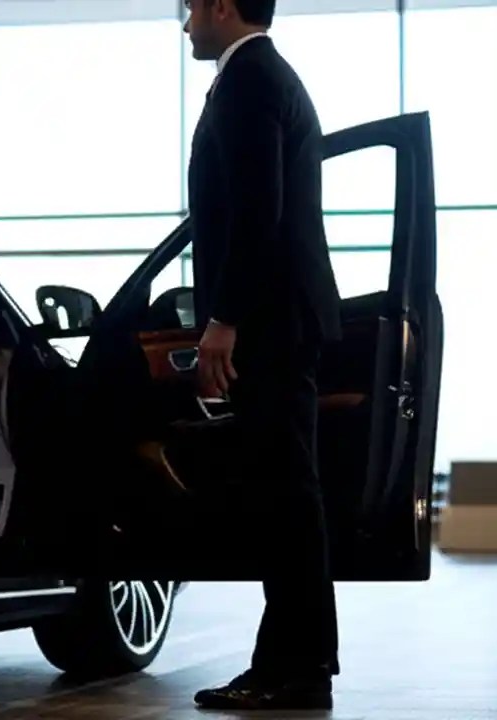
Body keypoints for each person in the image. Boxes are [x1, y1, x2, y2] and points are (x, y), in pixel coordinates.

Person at [182, 0, 344, 712]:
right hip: (278, 318)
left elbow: (258, 210)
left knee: (286, 498)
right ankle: (287, 664)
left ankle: (296, 670)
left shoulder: (251, 80)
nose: (185, 22)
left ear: (222, 6)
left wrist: (224, 319)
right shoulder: (258, 77)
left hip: (270, 323)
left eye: (190, 8)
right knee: (285, 497)